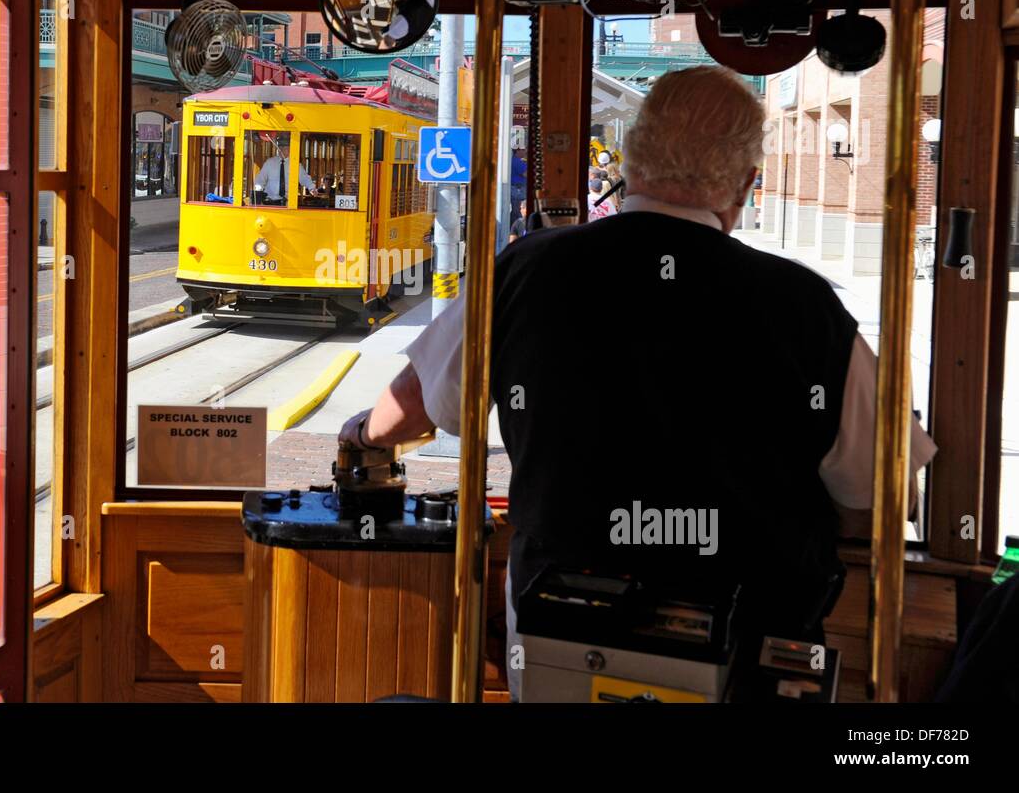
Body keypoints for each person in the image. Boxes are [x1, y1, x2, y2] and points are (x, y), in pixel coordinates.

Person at [339, 65, 936, 701]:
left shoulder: (528, 270)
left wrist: (360, 438)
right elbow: (882, 492)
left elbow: (413, 408)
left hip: (561, 633)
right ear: (745, 186)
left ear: (631, 160)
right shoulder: (807, 307)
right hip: (749, 646)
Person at [253, 139, 313, 205]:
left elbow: (304, 178)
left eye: (285, 148)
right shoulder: (269, 162)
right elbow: (260, 179)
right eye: (280, 147)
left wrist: (311, 187)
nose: (281, 150)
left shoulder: (295, 164)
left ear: (290, 149)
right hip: (270, 201)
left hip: (288, 203)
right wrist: (257, 192)